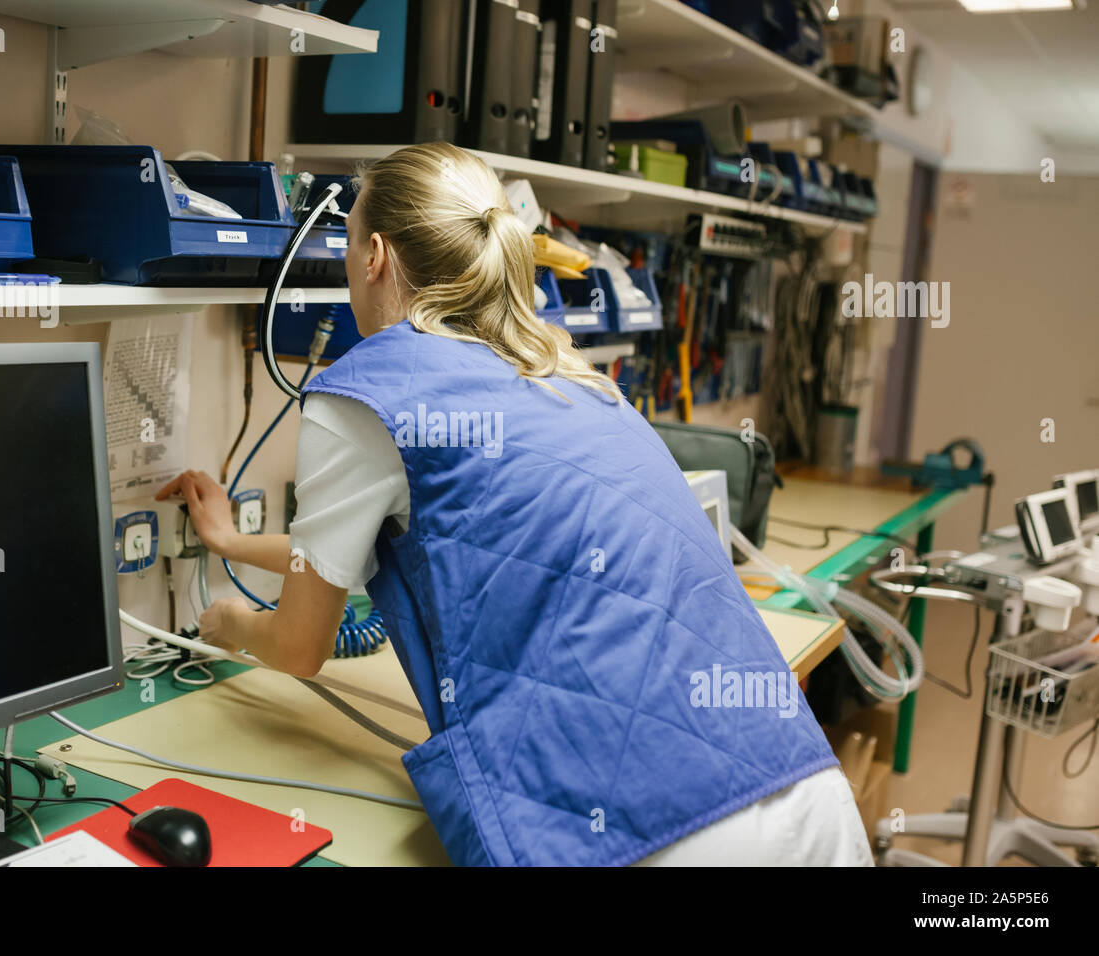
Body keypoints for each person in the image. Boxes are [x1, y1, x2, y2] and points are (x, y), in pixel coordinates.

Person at [158, 142, 873, 867]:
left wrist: (232, 625)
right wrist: (230, 541)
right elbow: (362, 554)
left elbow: (303, 647)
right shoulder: (568, 372)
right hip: (802, 790)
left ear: (374, 256)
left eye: (345, 249)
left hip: (657, 836)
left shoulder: (365, 393)